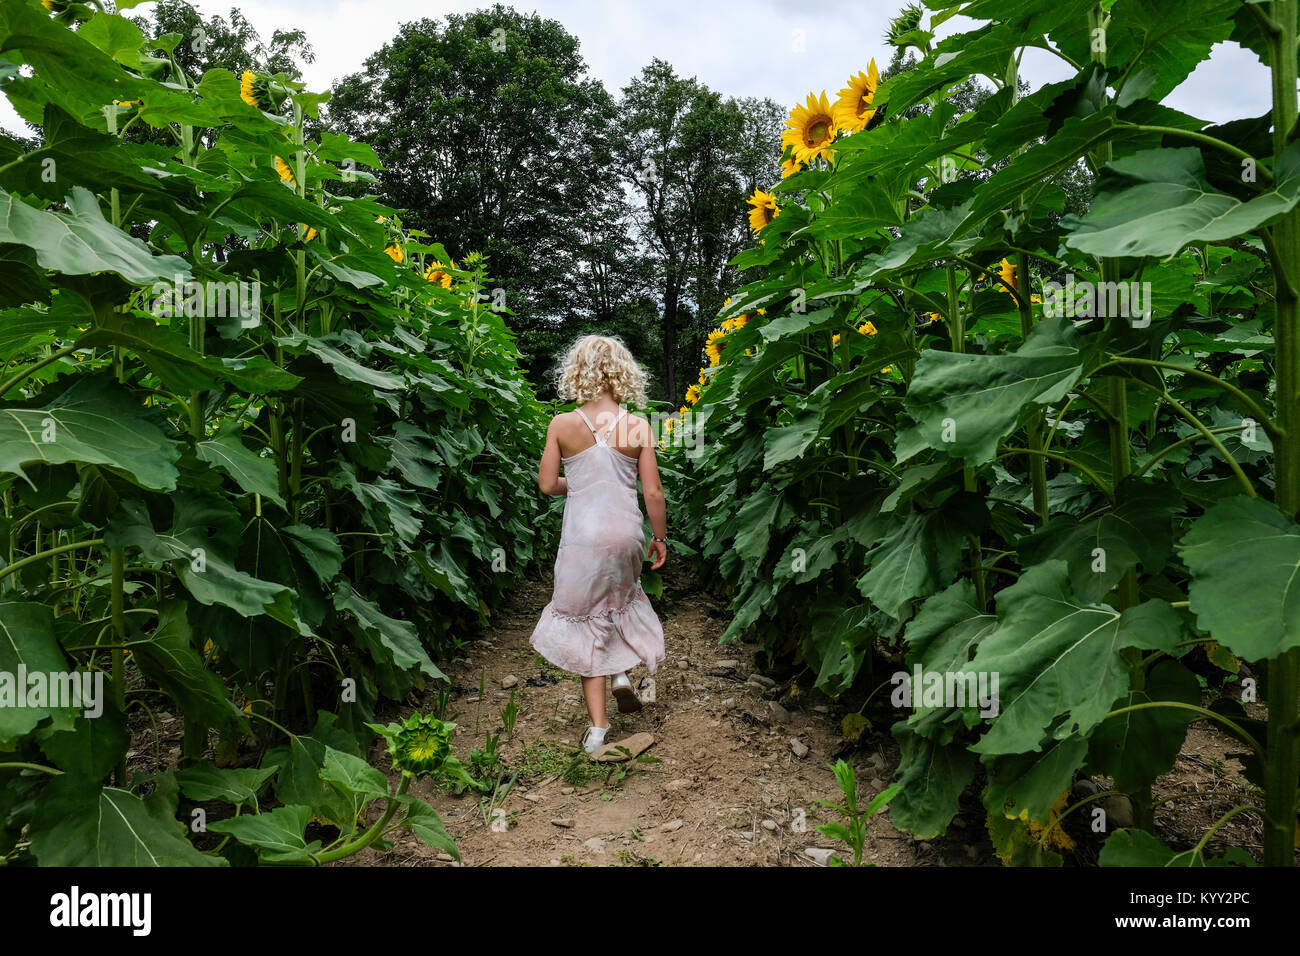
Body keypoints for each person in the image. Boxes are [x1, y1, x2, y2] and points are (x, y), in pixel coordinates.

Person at [530, 334, 668, 757]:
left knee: (588, 617)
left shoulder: (562, 424)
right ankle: (623, 676)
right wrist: (659, 537)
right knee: (620, 601)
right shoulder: (638, 426)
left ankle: (598, 729)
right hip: (625, 534)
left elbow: (548, 484)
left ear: (578, 370)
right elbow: (653, 493)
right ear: (622, 371)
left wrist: (584, 481)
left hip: (582, 539)